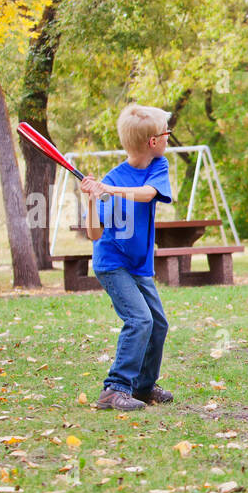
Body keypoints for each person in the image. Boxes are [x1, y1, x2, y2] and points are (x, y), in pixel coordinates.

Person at [80, 104, 176, 412]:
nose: (168, 138)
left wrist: (108, 189)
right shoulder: (113, 177)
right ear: (153, 141)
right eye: (166, 134)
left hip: (137, 265)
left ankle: (144, 387)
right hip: (112, 263)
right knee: (139, 319)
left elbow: (148, 193)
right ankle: (115, 388)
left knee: (158, 323)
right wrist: (93, 201)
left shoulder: (157, 166)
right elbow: (94, 235)